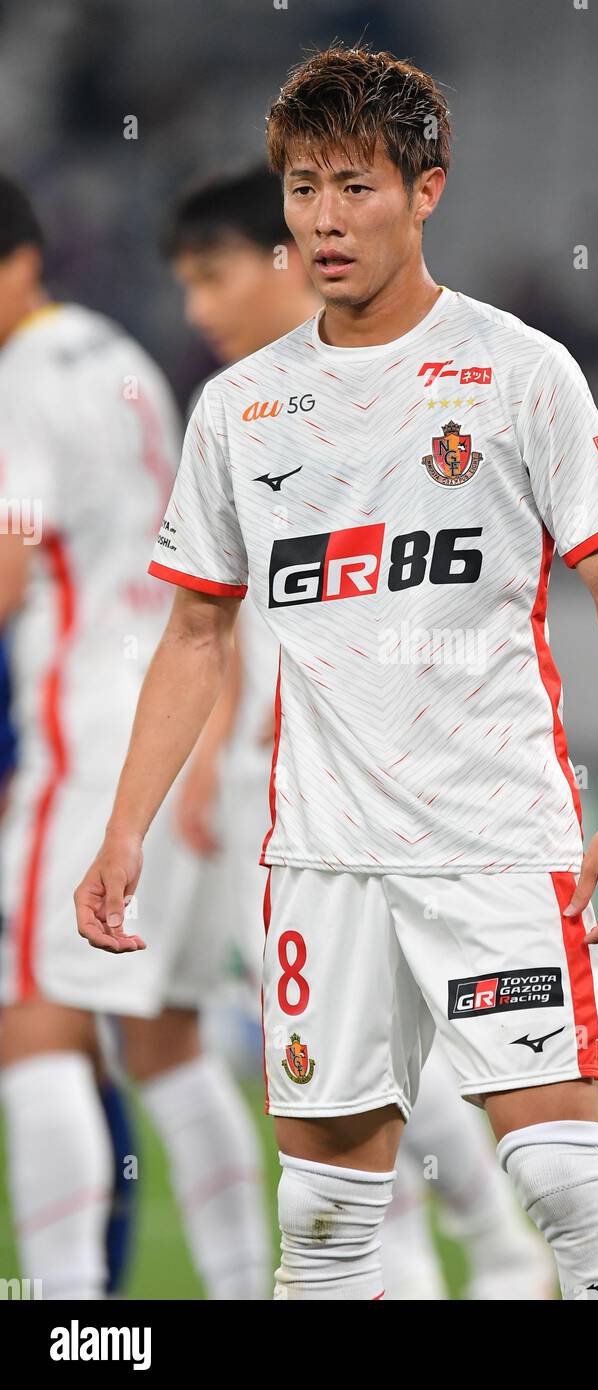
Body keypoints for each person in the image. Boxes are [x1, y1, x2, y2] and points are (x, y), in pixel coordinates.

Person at [75, 44, 598, 1302]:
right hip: (322, 860)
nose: (324, 220)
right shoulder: (241, 409)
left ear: (427, 189)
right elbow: (194, 633)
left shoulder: (516, 370)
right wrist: (122, 827)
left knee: (562, 1179)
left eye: (356, 185)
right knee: (328, 1225)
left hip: (495, 840)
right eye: (301, 188)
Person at [0, 174, 269, 1300]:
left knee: (31, 1022)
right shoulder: (124, 358)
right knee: (165, 1040)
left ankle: (63, 1311)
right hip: (176, 712)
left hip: (88, 730)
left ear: (16, 262)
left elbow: (10, 563)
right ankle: (244, 1286)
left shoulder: (15, 381)